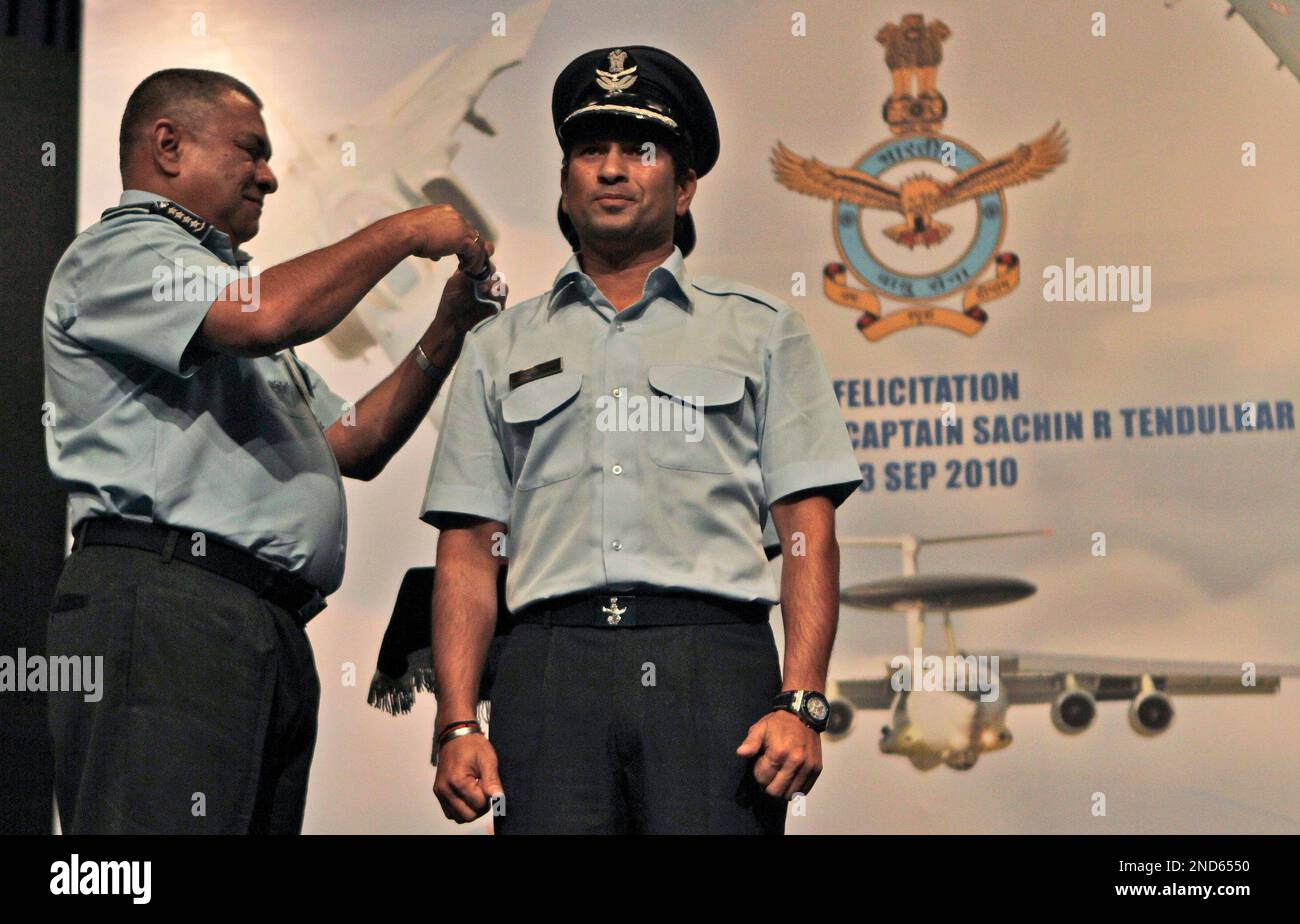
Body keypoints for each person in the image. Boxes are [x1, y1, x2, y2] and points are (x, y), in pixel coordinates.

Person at [42, 68, 498, 834]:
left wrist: (448, 329)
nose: (271, 176)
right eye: (251, 151)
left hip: (254, 626)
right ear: (168, 144)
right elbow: (271, 316)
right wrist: (403, 230)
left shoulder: (218, 289)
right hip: (164, 609)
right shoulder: (122, 257)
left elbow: (355, 441)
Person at [423, 46, 862, 834]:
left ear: (685, 186)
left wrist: (802, 698)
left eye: (642, 150)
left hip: (712, 664)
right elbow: (468, 544)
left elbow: (807, 531)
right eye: (591, 150)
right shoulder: (497, 347)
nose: (614, 169)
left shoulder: (761, 329)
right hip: (549, 667)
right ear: (564, 182)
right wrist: (457, 722)